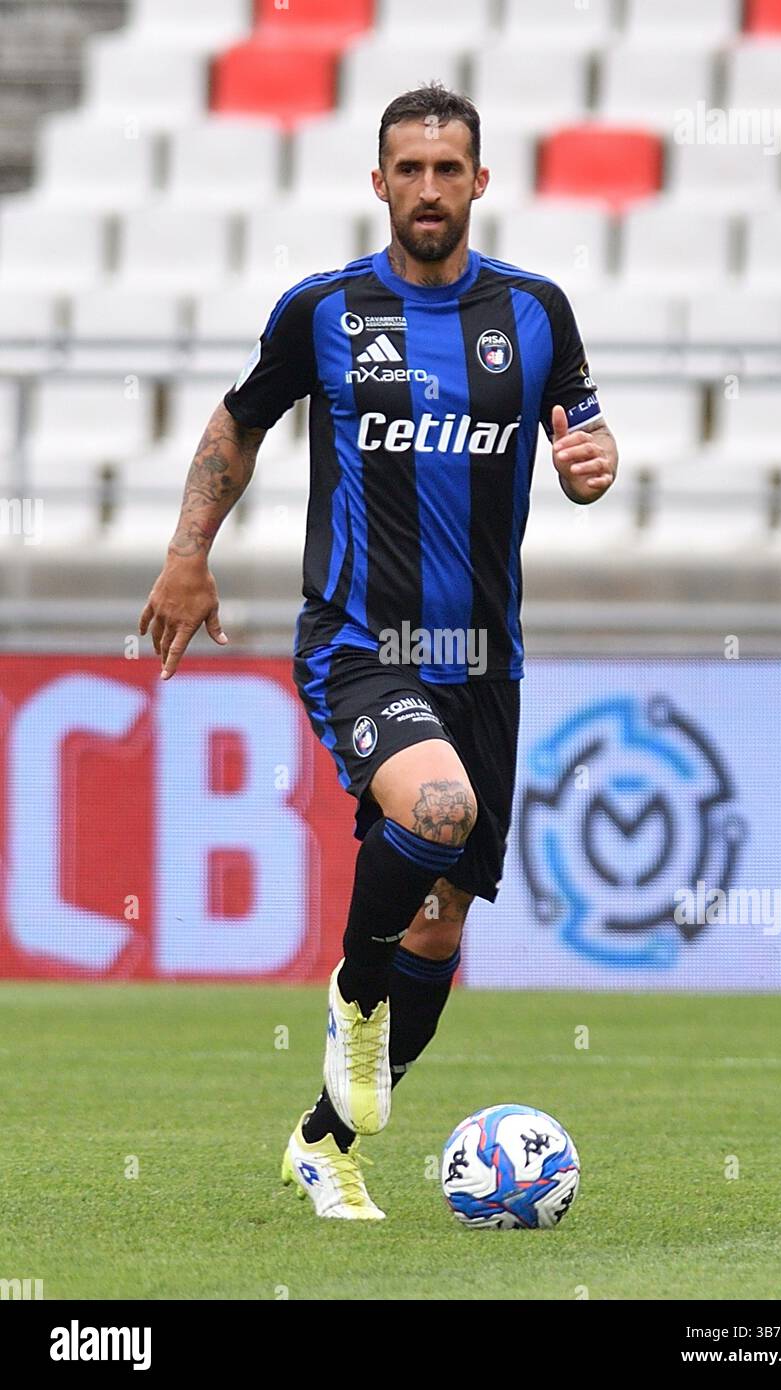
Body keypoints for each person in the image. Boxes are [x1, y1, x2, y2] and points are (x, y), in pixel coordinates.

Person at [139, 82, 618, 1220]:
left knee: (442, 921)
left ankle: (327, 1138)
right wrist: (186, 552)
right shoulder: (326, 310)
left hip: (484, 661)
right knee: (436, 810)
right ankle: (353, 1003)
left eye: (448, 170)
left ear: (479, 184)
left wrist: (590, 467)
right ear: (378, 183)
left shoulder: (535, 312)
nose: (428, 190)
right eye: (407, 169)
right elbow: (238, 420)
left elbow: (582, 433)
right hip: (362, 642)